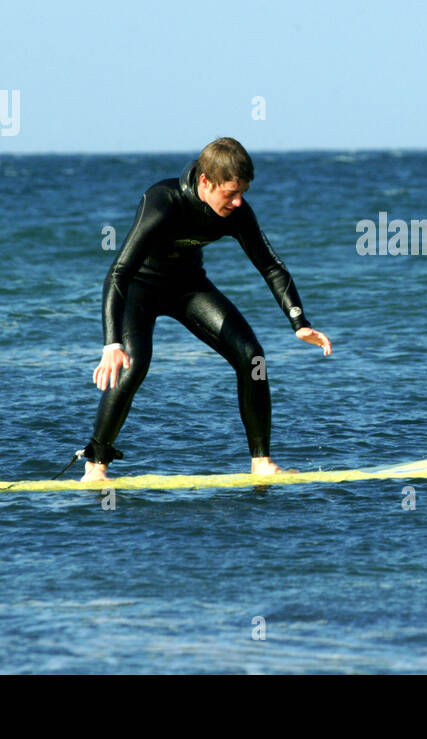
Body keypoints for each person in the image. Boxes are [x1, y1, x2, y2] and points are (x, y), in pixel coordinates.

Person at [81, 137, 331, 482]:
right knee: (133, 364)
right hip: (140, 288)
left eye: (243, 191)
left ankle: (261, 462)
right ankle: (95, 465)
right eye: (230, 193)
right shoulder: (162, 201)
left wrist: (299, 322)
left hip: (188, 287)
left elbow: (270, 265)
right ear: (205, 182)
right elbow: (119, 273)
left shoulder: (236, 212)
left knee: (252, 356)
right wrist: (111, 344)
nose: (238, 201)